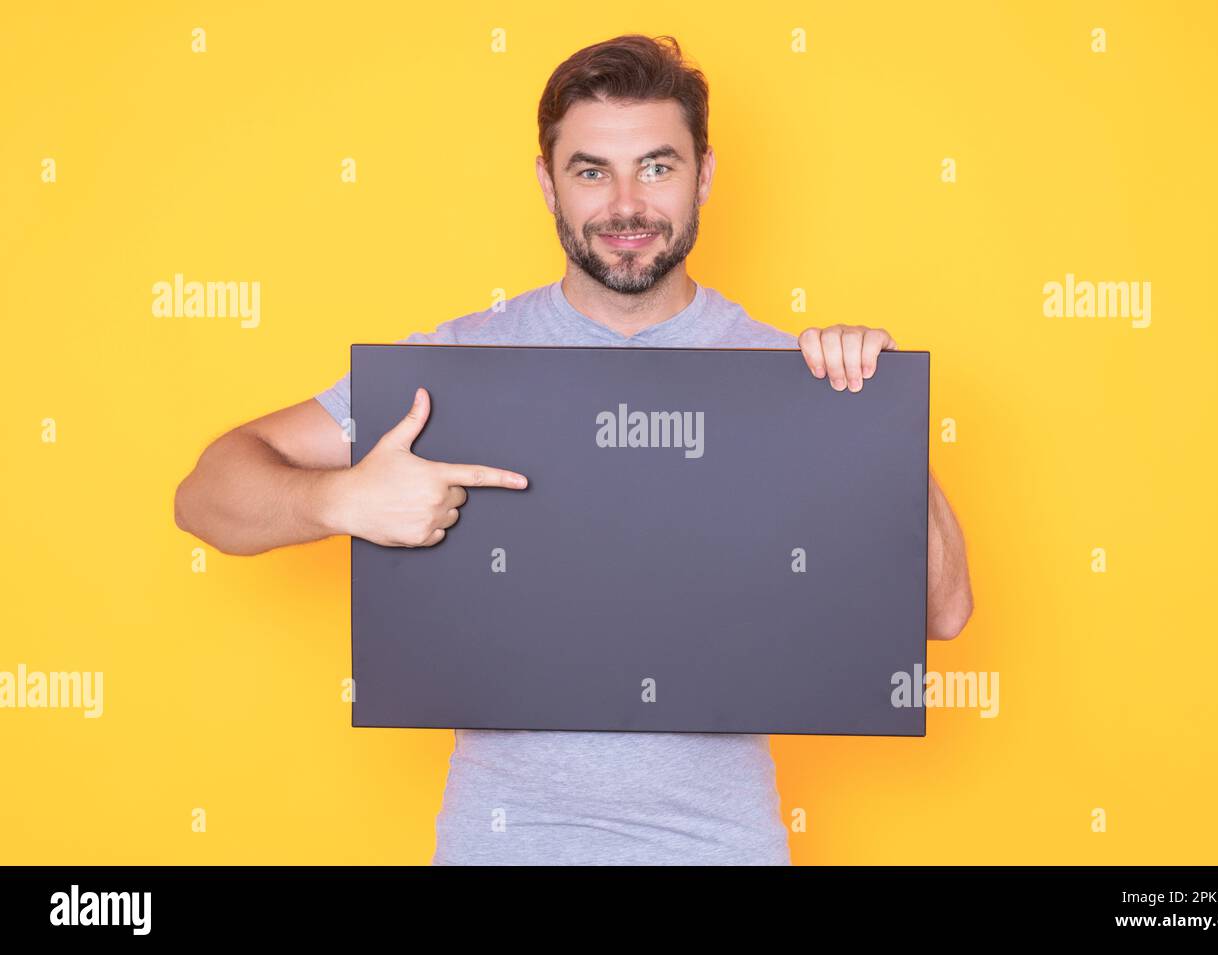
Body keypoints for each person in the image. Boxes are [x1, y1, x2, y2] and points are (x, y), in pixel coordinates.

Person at [174, 33, 974, 865]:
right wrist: (340, 499)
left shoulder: (790, 375)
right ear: (546, 181)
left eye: (657, 167)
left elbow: (944, 612)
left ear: (703, 174)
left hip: (721, 845)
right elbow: (204, 497)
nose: (626, 203)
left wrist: (876, 418)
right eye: (592, 170)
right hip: (500, 844)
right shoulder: (452, 368)